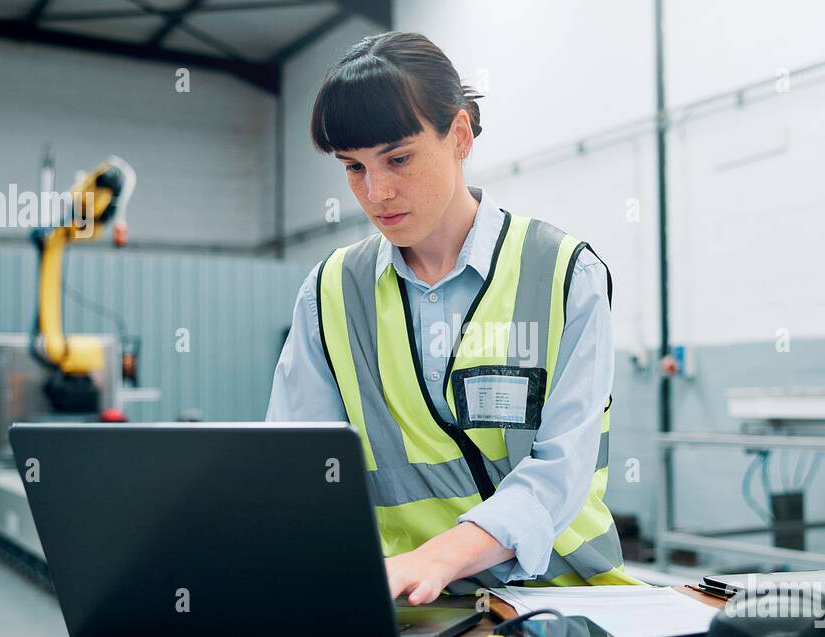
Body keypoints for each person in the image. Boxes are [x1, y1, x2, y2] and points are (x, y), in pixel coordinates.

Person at [267, 31, 639, 604]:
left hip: (565, 598)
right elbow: (297, 477)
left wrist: (439, 556)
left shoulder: (563, 273)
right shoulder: (329, 294)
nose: (378, 191)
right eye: (353, 168)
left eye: (398, 158)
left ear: (459, 135)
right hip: (413, 608)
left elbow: (562, 468)